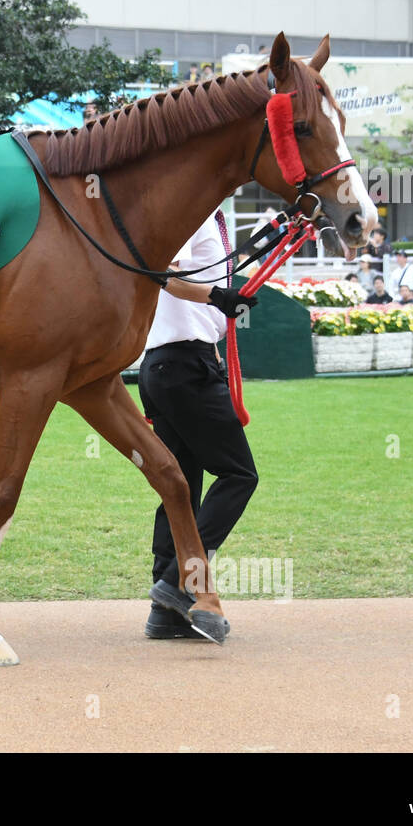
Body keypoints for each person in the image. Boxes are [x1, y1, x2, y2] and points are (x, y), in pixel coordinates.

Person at [140, 211, 256, 643]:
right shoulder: (196, 212)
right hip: (185, 365)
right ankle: (176, 582)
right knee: (240, 475)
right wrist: (216, 298)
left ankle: (165, 613)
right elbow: (162, 275)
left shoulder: (207, 213)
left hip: (166, 364)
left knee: (180, 488)